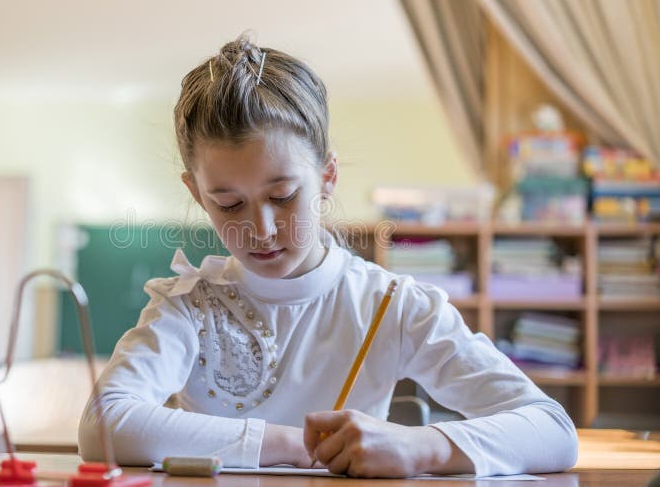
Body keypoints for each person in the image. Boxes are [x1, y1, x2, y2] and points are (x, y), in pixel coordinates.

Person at [78, 34, 578, 478]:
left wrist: (420, 447)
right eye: (228, 204)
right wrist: (294, 445)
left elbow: (552, 428)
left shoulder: (392, 305)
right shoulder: (187, 306)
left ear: (327, 177)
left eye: (282, 196)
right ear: (196, 193)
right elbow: (103, 423)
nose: (261, 228)